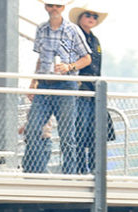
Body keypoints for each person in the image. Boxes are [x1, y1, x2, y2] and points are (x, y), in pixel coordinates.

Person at [22, 0, 91, 174]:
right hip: (44, 84)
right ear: (46, 7)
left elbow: (87, 58)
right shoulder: (41, 29)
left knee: (67, 135)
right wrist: (33, 82)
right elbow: (41, 59)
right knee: (32, 128)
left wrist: (69, 67)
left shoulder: (72, 30)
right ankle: (36, 170)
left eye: (58, 5)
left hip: (66, 84)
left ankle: (69, 174)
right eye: (51, 5)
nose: (54, 8)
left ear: (63, 8)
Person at [68, 3, 107, 174]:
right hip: (80, 89)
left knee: (95, 131)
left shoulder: (95, 40)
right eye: (88, 15)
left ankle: (94, 169)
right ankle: (79, 169)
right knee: (80, 130)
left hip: (94, 90)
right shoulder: (73, 36)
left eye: (94, 16)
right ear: (80, 18)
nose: (91, 19)